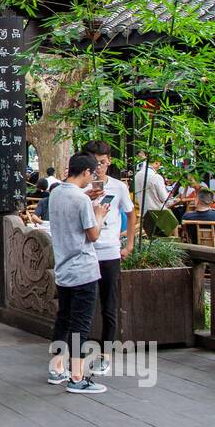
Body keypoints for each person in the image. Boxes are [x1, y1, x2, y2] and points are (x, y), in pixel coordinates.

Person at [47, 153, 112, 393]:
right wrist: (100, 215)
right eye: (92, 174)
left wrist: (88, 202)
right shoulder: (82, 201)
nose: (92, 178)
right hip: (83, 269)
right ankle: (77, 377)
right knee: (80, 325)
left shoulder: (55, 193)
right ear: (86, 171)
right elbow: (92, 235)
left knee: (63, 319)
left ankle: (56, 368)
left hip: (63, 268)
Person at [81, 139, 136, 376]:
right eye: (94, 164)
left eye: (102, 163)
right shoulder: (79, 188)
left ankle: (105, 355)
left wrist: (129, 244)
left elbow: (131, 214)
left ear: (109, 161)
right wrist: (86, 196)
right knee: (83, 304)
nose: (98, 168)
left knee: (109, 305)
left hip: (110, 252)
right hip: (86, 252)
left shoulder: (119, 187)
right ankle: (76, 354)